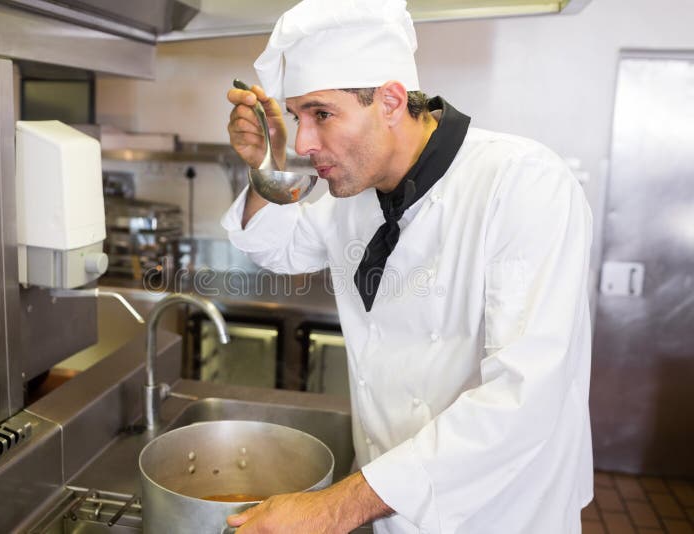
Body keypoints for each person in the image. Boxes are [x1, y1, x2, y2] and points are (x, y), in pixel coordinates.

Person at [221, 1, 593, 532]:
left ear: (391, 100)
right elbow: (275, 245)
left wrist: (334, 508)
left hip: (500, 515)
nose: (304, 142)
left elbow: (524, 397)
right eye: (298, 116)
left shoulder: (523, 183)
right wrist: (264, 163)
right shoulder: (354, 191)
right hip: (386, 504)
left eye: (321, 114)